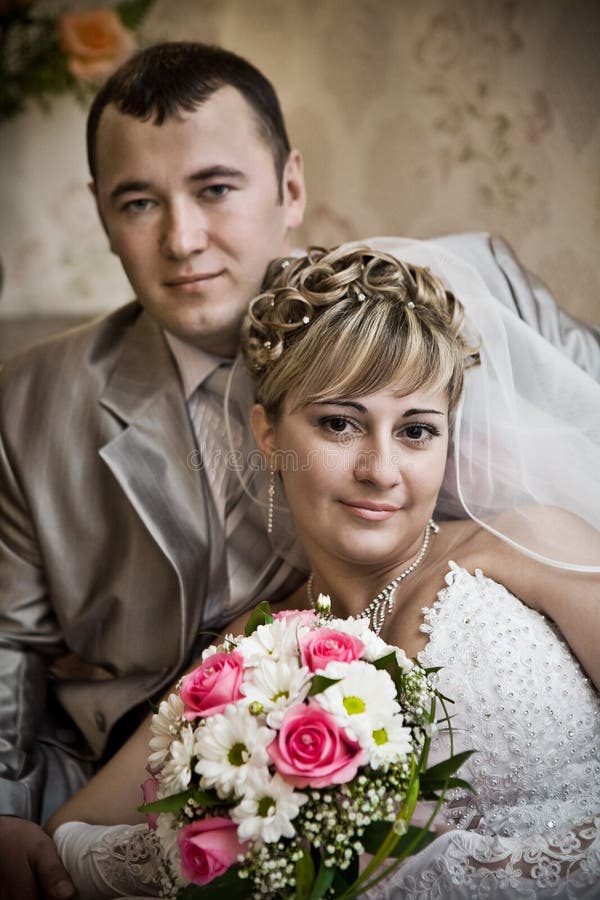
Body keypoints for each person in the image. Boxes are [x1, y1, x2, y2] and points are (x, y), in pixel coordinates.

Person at [1, 40, 599, 900]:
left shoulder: (509, 526)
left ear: (289, 189)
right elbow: (64, 827)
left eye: (215, 188)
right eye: (139, 201)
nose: (183, 239)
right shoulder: (255, 646)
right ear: (267, 432)